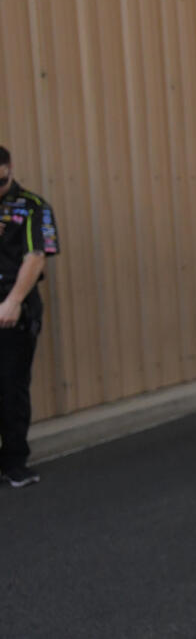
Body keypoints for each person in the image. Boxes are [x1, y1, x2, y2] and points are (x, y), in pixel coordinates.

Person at [0, 146, 59, 488]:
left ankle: (13, 461)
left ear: (7, 168)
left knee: (11, 387)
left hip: (13, 309)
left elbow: (36, 257)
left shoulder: (32, 207)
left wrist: (13, 301)